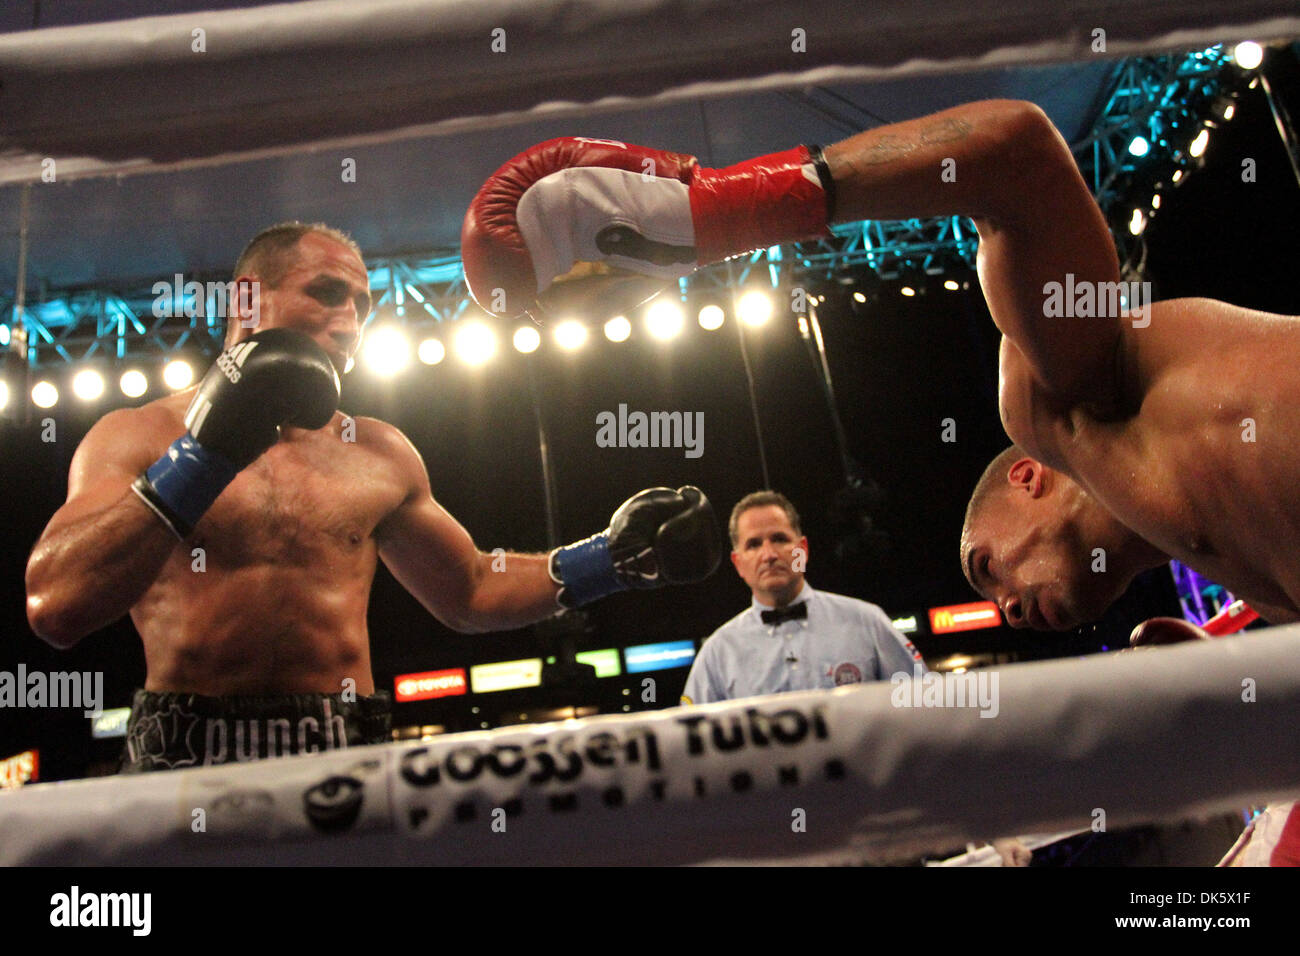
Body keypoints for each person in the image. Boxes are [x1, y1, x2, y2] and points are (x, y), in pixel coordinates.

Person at [460, 99, 1300, 634]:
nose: (1003, 606)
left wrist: (718, 210)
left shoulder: (1065, 407)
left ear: (1031, 479)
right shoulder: (1251, 583)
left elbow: (1016, 158)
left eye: (986, 565)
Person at [24, 221, 721, 772]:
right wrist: (202, 459)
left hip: (343, 737)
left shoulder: (378, 451)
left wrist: (614, 558)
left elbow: (472, 589)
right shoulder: (137, 435)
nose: (351, 320)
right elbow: (56, 605)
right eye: (326, 293)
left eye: (361, 302)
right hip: (185, 742)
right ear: (244, 300)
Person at [680, 491, 923, 705]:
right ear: (738, 564)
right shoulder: (718, 653)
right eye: (754, 544)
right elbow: (691, 743)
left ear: (802, 550)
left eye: (779, 539)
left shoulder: (867, 622)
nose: (769, 554)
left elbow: (925, 705)